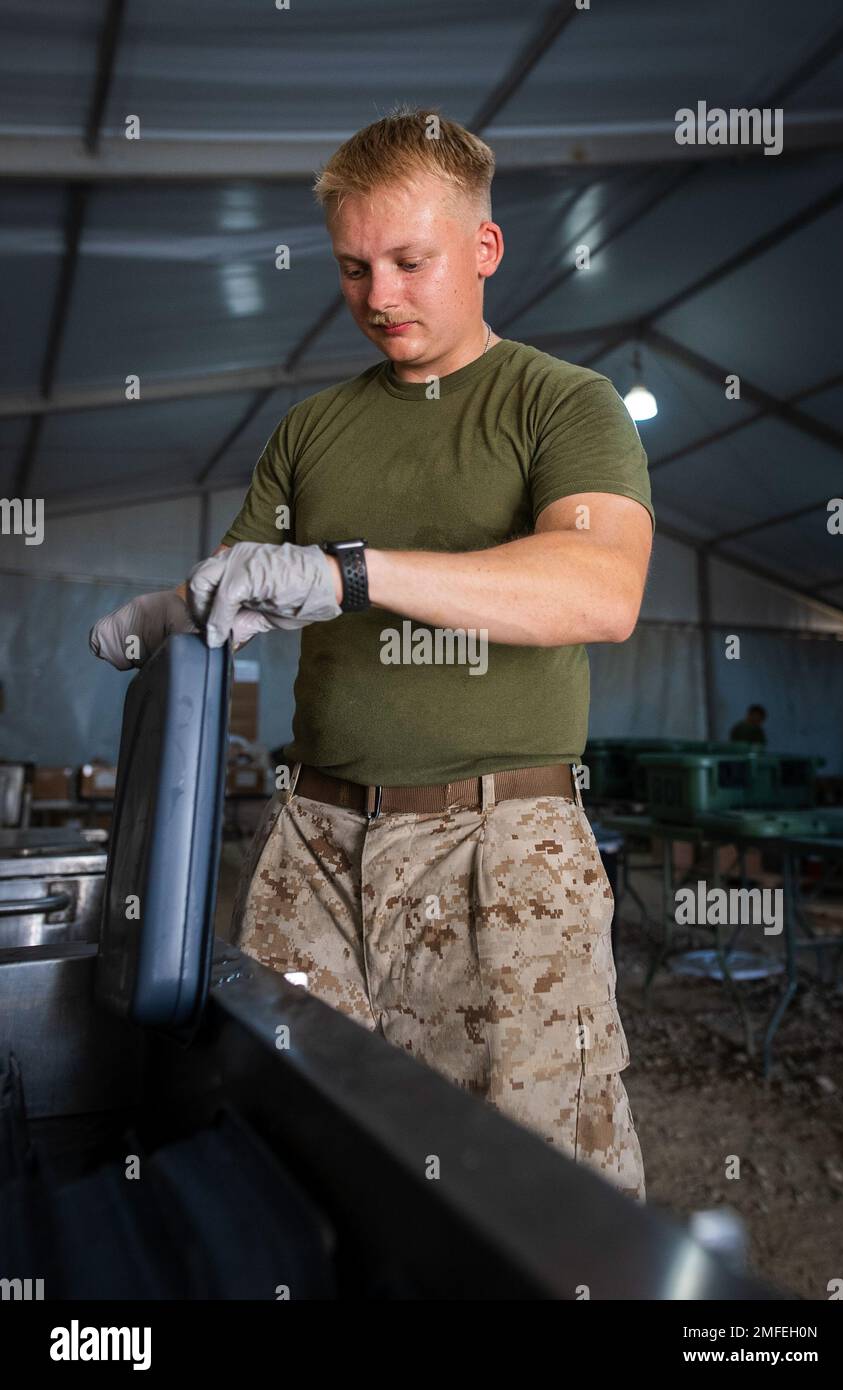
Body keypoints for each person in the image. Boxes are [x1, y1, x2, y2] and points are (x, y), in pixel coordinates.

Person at [90, 107, 654, 1202]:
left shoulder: (561, 404)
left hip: (498, 848)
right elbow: (244, 586)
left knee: (539, 1180)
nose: (378, 296)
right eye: (353, 268)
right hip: (313, 841)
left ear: (483, 250)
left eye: (409, 261)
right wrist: (177, 610)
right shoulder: (309, 431)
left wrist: (348, 571)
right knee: (304, 1147)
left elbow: (601, 588)